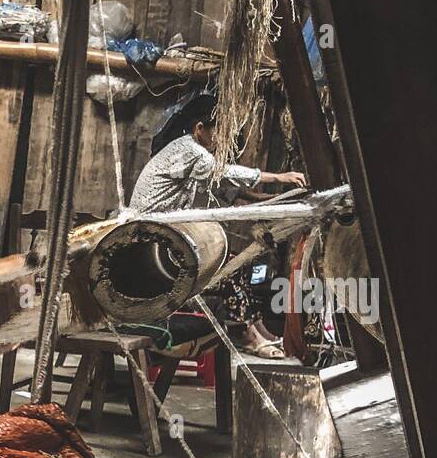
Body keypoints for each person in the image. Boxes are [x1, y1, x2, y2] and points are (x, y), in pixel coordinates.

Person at [130, 93, 306, 358]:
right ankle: (248, 335)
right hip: (148, 246)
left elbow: (230, 190)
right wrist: (278, 176)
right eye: (219, 132)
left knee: (237, 262)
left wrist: (282, 198)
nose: (222, 140)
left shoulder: (191, 154)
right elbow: (224, 172)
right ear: (200, 129)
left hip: (163, 240)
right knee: (229, 268)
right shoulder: (189, 150)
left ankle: (257, 329)